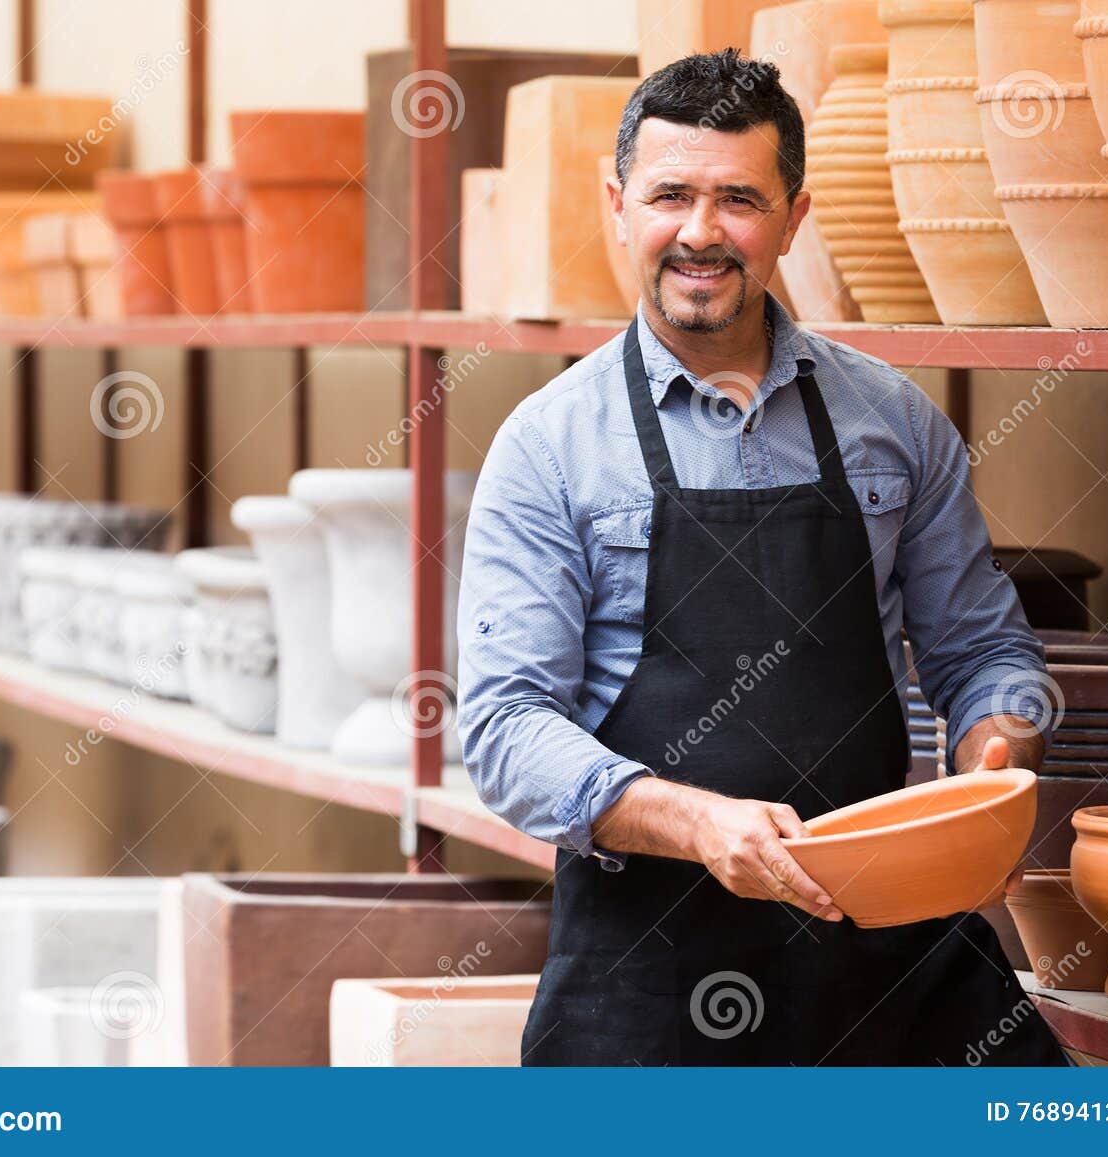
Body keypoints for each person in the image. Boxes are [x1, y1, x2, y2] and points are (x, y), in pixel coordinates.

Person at [457, 50, 1068, 1066]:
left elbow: (981, 653)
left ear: (794, 215)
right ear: (618, 205)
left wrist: (995, 764)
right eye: (670, 196)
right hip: (644, 982)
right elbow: (506, 728)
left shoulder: (893, 425)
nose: (700, 232)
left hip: (884, 964)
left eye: (738, 198)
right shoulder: (547, 445)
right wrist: (698, 822)